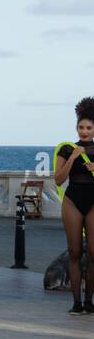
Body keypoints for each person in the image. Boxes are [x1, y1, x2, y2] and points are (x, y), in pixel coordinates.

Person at [55, 97, 94, 314]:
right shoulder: (67, 149)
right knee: (74, 252)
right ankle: (77, 302)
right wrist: (73, 158)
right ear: (76, 128)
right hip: (72, 200)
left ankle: (89, 301)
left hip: (93, 202)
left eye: (89, 127)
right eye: (81, 127)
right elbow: (58, 180)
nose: (84, 131)